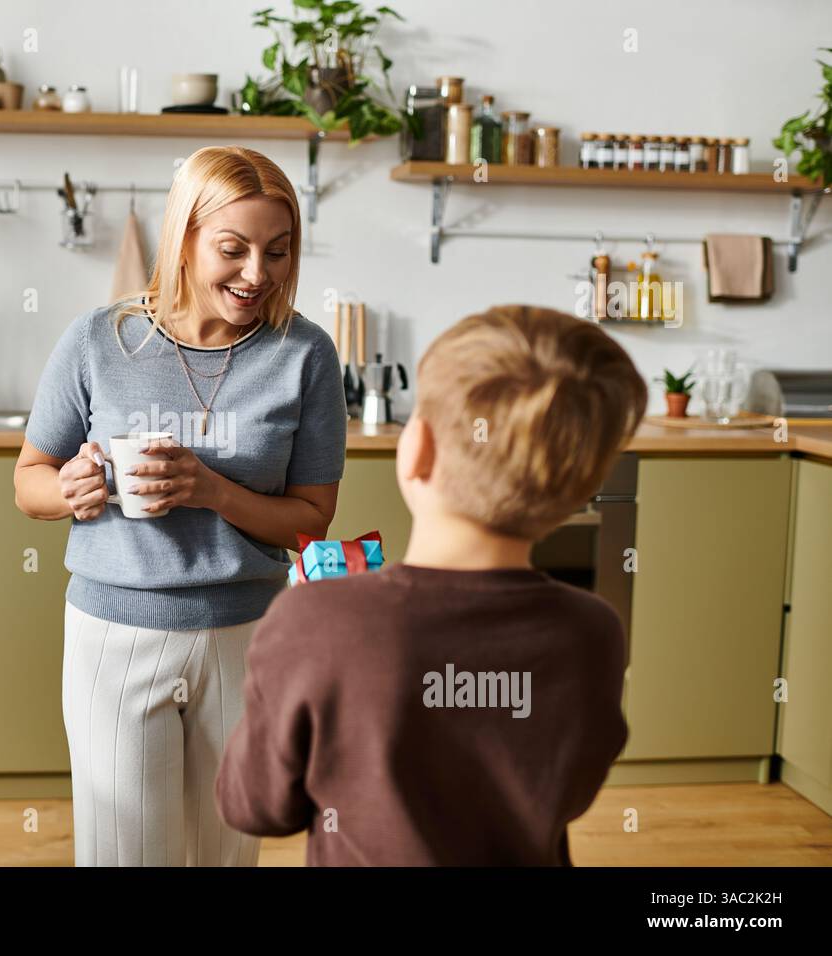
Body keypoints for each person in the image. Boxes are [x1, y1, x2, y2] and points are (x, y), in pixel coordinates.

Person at [216, 305, 648, 865]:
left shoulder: (315, 622)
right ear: (579, 488)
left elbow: (256, 808)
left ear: (415, 449)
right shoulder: (595, 632)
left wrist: (288, 657)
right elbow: (571, 791)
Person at [14, 145, 347, 866]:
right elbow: (29, 480)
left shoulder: (306, 355)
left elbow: (310, 524)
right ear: (186, 237)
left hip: (247, 636)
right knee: (124, 854)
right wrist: (67, 487)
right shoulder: (99, 341)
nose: (258, 274)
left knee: (228, 854)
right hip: (113, 636)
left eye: (279, 251)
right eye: (234, 248)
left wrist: (212, 490)